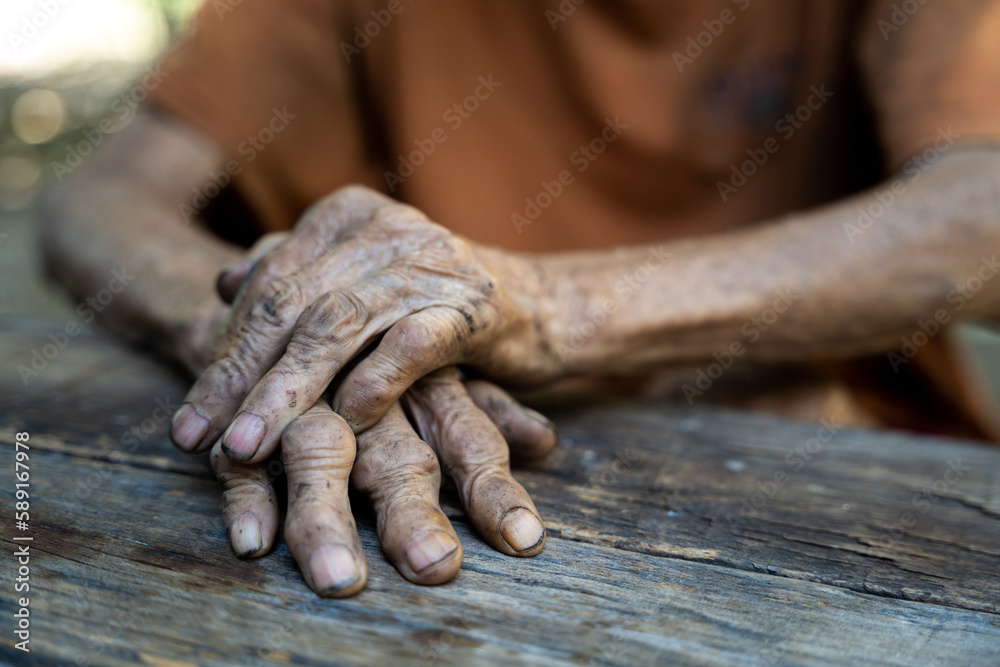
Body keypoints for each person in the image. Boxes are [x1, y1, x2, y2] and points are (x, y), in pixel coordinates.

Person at [41, 0, 1000, 597]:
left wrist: (535, 305)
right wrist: (268, 337)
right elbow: (101, 197)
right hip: (464, 481)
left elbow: (983, 210)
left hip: (846, 508)